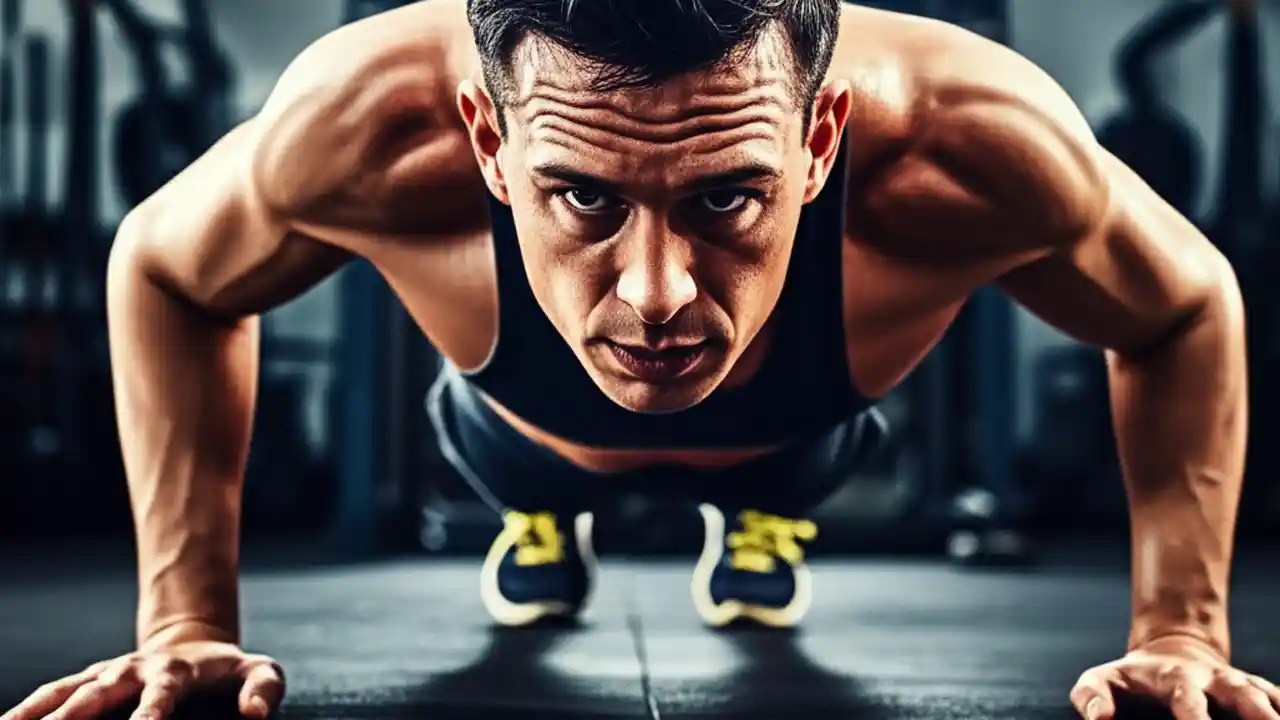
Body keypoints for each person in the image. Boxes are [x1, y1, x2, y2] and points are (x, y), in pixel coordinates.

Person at [5, 1, 1277, 720]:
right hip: (513, 431)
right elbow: (164, 265)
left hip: (802, 439)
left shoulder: (973, 143)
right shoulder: (359, 126)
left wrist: (1179, 630)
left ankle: (758, 525)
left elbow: (1183, 304)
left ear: (821, 134)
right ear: (486, 143)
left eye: (726, 198)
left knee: (789, 474)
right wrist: (184, 624)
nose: (657, 293)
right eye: (583, 198)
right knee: (519, 469)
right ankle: (543, 527)